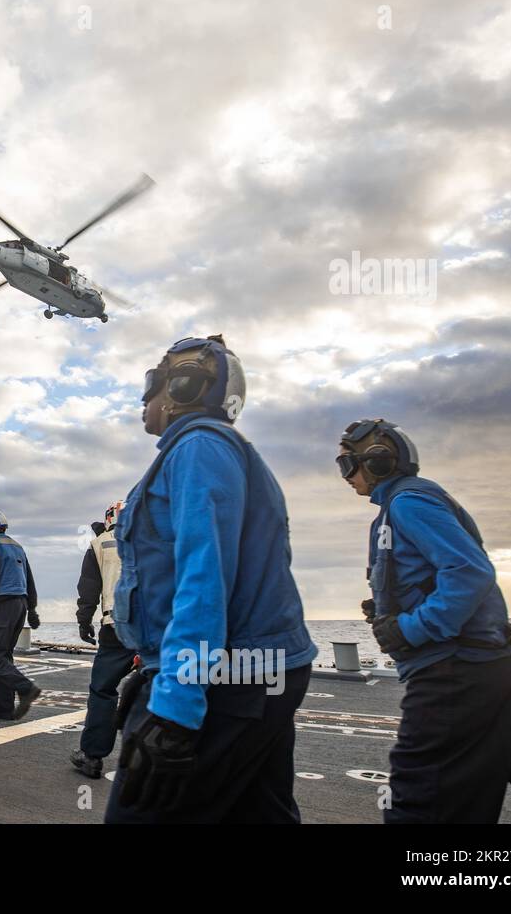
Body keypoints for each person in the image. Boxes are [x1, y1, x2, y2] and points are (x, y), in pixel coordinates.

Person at [107, 335, 317, 824]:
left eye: (151, 384)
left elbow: (203, 580)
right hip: (260, 668)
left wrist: (176, 705)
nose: (143, 398)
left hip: (228, 674)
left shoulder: (199, 449)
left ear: (181, 387)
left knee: (142, 813)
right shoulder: (215, 450)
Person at [339, 418, 511, 823]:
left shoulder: (408, 503)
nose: (346, 476)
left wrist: (411, 627)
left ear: (380, 462)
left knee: (423, 798)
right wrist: (388, 607)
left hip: (454, 672)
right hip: (492, 666)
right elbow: (438, 575)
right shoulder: (403, 505)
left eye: (349, 465)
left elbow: (470, 572)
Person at [71, 502, 137, 779]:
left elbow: (89, 588)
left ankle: (92, 757)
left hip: (115, 625)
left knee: (104, 690)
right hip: (155, 625)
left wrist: (84, 622)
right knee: (161, 683)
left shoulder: (99, 543)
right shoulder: (152, 537)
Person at [0, 510, 43, 720]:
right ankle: (4, 708)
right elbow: (29, 579)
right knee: (3, 655)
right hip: (20, 605)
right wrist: (32, 609)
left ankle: (26, 688)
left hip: (5, 604)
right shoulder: (17, 546)